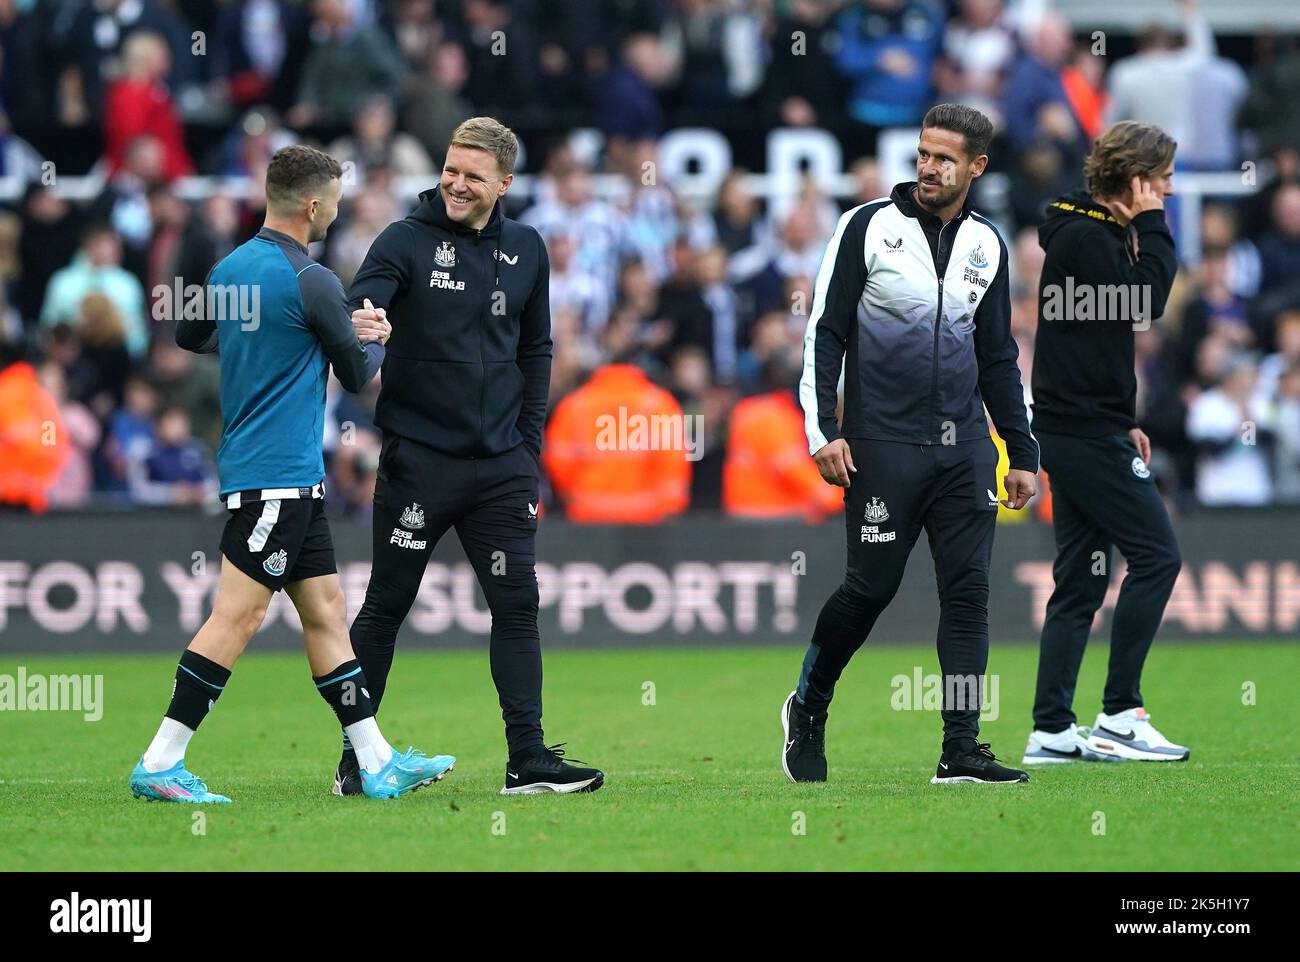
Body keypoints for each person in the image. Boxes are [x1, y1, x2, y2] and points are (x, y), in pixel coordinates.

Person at [128, 145, 452, 803]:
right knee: (237, 618)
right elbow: (361, 375)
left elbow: (192, 338)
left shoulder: (229, 268)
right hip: (275, 475)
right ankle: (161, 761)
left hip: (283, 476)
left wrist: (277, 337)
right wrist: (376, 333)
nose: (337, 207)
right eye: (334, 198)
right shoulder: (314, 281)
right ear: (312, 204)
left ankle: (376, 759)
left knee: (327, 613)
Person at [344, 117, 604, 796]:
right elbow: (363, 301)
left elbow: (537, 348)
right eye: (451, 170)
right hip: (418, 465)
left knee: (517, 606)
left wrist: (529, 447)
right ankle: (359, 761)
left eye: (473, 176)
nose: (457, 184)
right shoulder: (404, 240)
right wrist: (363, 320)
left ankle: (527, 760)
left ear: (505, 183)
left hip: (501, 469)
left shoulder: (526, 248)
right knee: (386, 608)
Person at [785, 103, 1039, 786]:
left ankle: (961, 749)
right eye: (923, 153)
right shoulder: (866, 226)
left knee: (969, 594)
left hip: (965, 455)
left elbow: (997, 357)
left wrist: (1022, 449)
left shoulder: (989, 244)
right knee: (870, 590)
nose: (927, 167)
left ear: (976, 168)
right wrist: (824, 433)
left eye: (943, 158)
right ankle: (809, 704)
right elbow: (825, 333)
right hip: (881, 448)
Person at [1025, 121, 1188, 764]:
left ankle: (1052, 730)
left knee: (1079, 584)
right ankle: (1121, 712)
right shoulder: (1093, 237)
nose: (1170, 190)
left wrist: (1123, 417)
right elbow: (1144, 302)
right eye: (1164, 178)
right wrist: (1152, 228)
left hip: (1083, 425)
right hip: (1083, 433)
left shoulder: (1083, 233)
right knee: (1157, 557)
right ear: (1138, 179)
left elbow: (1094, 335)